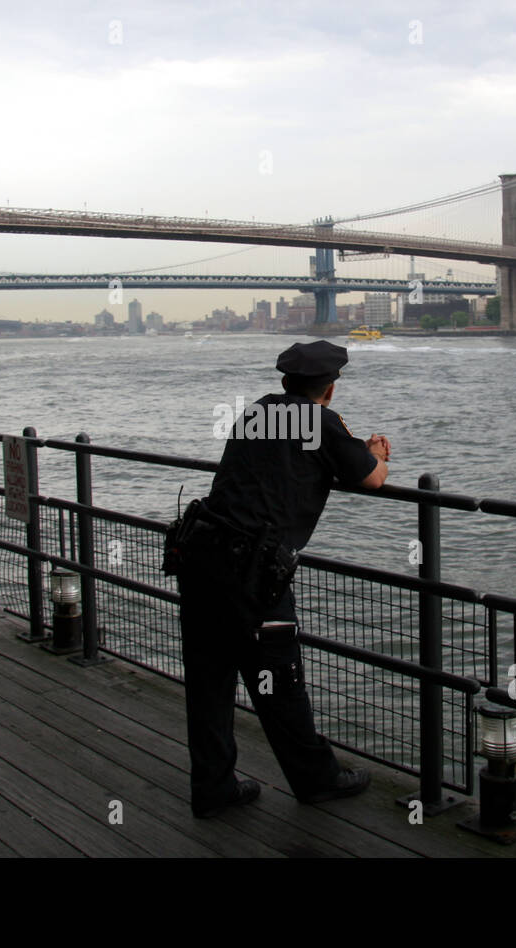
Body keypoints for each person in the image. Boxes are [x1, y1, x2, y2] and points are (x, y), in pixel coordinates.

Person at [173, 339, 390, 818]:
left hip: (201, 556)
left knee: (209, 680)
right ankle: (317, 780)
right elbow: (373, 479)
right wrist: (375, 452)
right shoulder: (321, 421)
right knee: (278, 678)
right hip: (253, 574)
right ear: (329, 389)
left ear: (285, 382)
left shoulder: (252, 414)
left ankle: (214, 788)